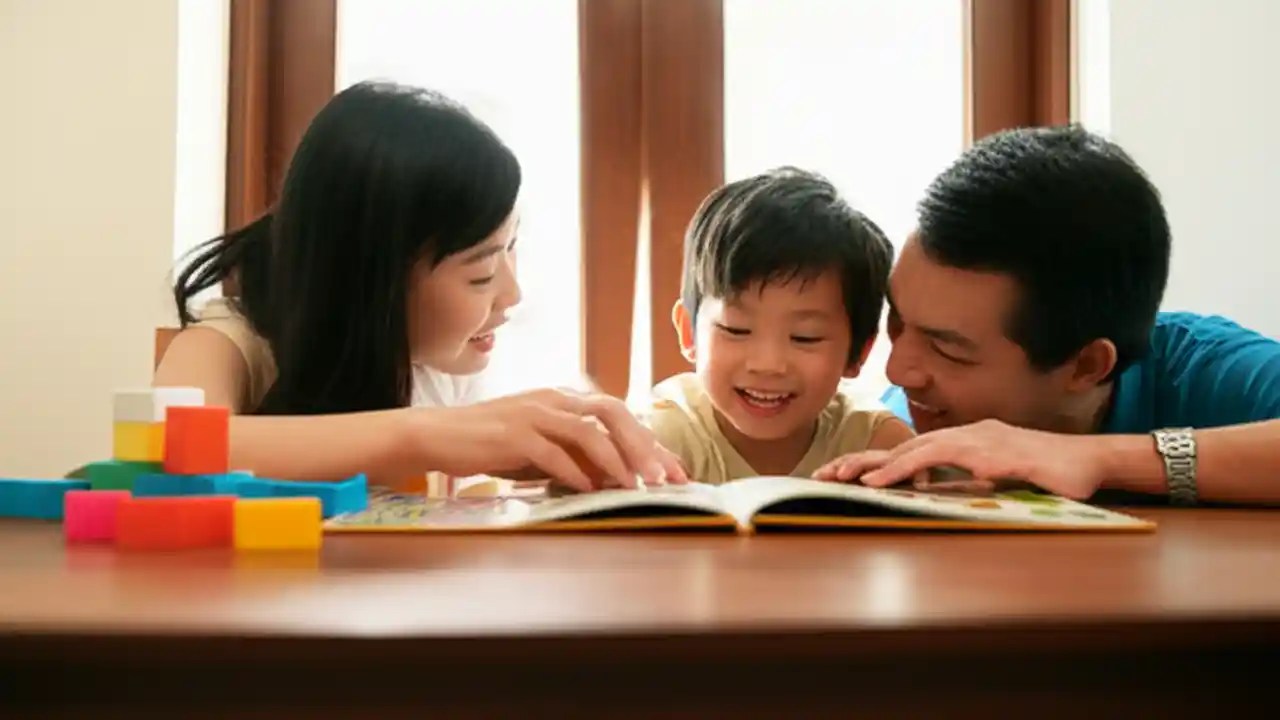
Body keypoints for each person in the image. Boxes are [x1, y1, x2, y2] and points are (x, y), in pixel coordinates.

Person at [155, 81, 686, 492]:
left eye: (511, 250)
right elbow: (166, 446)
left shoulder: (439, 361)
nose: (511, 295)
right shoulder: (231, 341)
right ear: (373, 281)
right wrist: (427, 434)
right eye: (480, 274)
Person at [815, 125, 1280, 506]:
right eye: (897, 322)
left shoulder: (1202, 372)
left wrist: (1098, 460)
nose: (899, 371)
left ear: (1085, 366)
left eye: (947, 349)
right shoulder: (901, 424)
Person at [646, 167, 913, 484]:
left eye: (805, 337)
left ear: (857, 354)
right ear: (689, 331)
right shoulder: (661, 436)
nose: (768, 364)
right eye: (736, 329)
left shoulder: (874, 443)